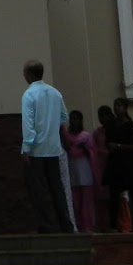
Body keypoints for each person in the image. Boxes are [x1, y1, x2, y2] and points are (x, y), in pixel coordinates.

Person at [21, 60, 74, 234]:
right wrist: (51, 127)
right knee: (56, 188)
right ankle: (66, 224)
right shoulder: (55, 93)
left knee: (39, 189)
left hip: (36, 149)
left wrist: (26, 148)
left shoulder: (29, 95)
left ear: (29, 74)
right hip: (53, 148)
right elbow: (64, 117)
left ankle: (46, 224)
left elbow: (28, 125)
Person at [105, 98, 133, 231]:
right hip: (116, 165)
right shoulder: (112, 126)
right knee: (114, 197)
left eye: (119, 106)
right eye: (115, 106)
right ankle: (113, 226)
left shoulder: (131, 126)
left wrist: (118, 146)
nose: (117, 108)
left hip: (129, 165)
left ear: (125, 108)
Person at [65, 111, 96, 233]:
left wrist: (84, 148)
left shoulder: (86, 136)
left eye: (77, 118)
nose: (74, 121)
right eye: (72, 118)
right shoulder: (66, 136)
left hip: (85, 171)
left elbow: (93, 153)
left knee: (86, 203)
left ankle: (87, 226)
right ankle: (76, 225)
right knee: (75, 202)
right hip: (72, 171)